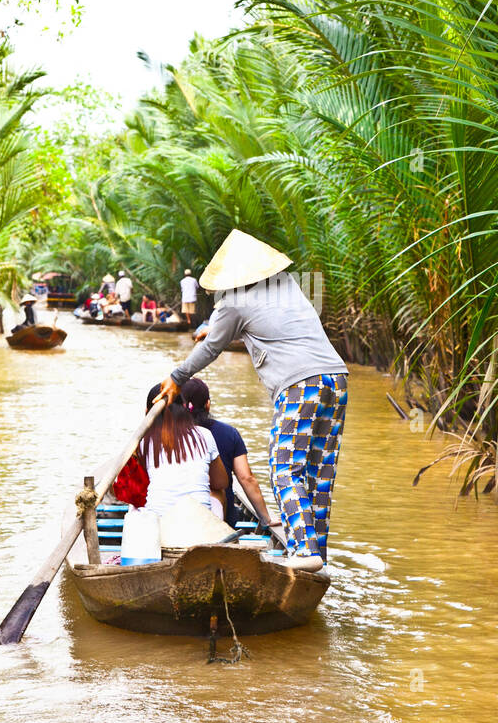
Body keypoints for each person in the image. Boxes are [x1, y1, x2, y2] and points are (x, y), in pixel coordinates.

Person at [157, 230, 348, 572]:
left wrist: (176, 377)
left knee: (284, 467)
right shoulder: (285, 284)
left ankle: (303, 551)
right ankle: (317, 553)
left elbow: (213, 346)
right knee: (319, 473)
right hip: (335, 378)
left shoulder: (232, 302)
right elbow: (264, 325)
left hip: (299, 384)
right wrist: (215, 329)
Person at [181, 378, 274, 529]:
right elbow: (246, 478)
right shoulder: (229, 433)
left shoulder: (169, 435)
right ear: (208, 404)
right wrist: (265, 518)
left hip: (178, 512)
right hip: (223, 517)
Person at [140, 383, 228, 520]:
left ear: (147, 412)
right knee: (218, 493)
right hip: (199, 521)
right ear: (185, 409)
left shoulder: (143, 442)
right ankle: (220, 533)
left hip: (159, 519)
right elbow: (221, 483)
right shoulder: (205, 434)